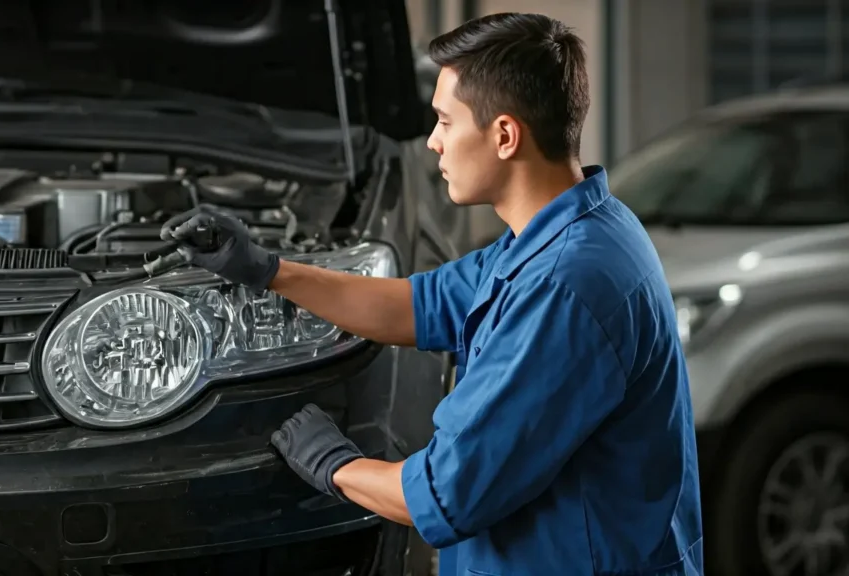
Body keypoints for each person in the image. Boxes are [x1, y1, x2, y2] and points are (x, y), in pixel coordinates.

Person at [160, 11, 704, 576]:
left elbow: (446, 493)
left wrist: (333, 464)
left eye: (445, 121)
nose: (433, 141)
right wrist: (270, 270)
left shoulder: (565, 285)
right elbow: (417, 305)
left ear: (504, 136)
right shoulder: (571, 228)